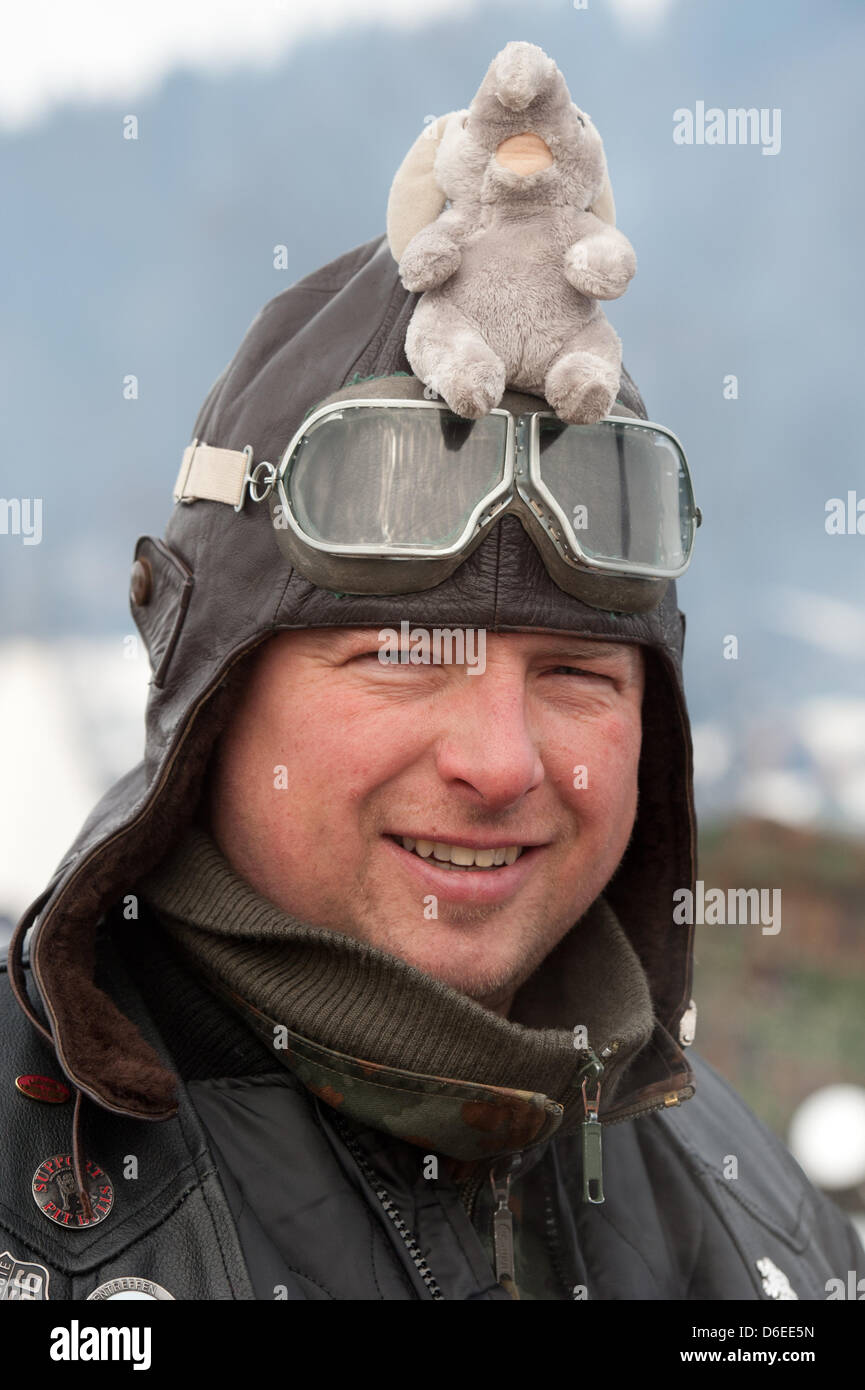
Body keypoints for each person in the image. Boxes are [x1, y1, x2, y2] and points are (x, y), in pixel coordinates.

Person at [2, 234, 862, 1302]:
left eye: (574, 674)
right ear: (211, 700)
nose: (498, 763)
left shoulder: (760, 1226)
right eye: (400, 660)